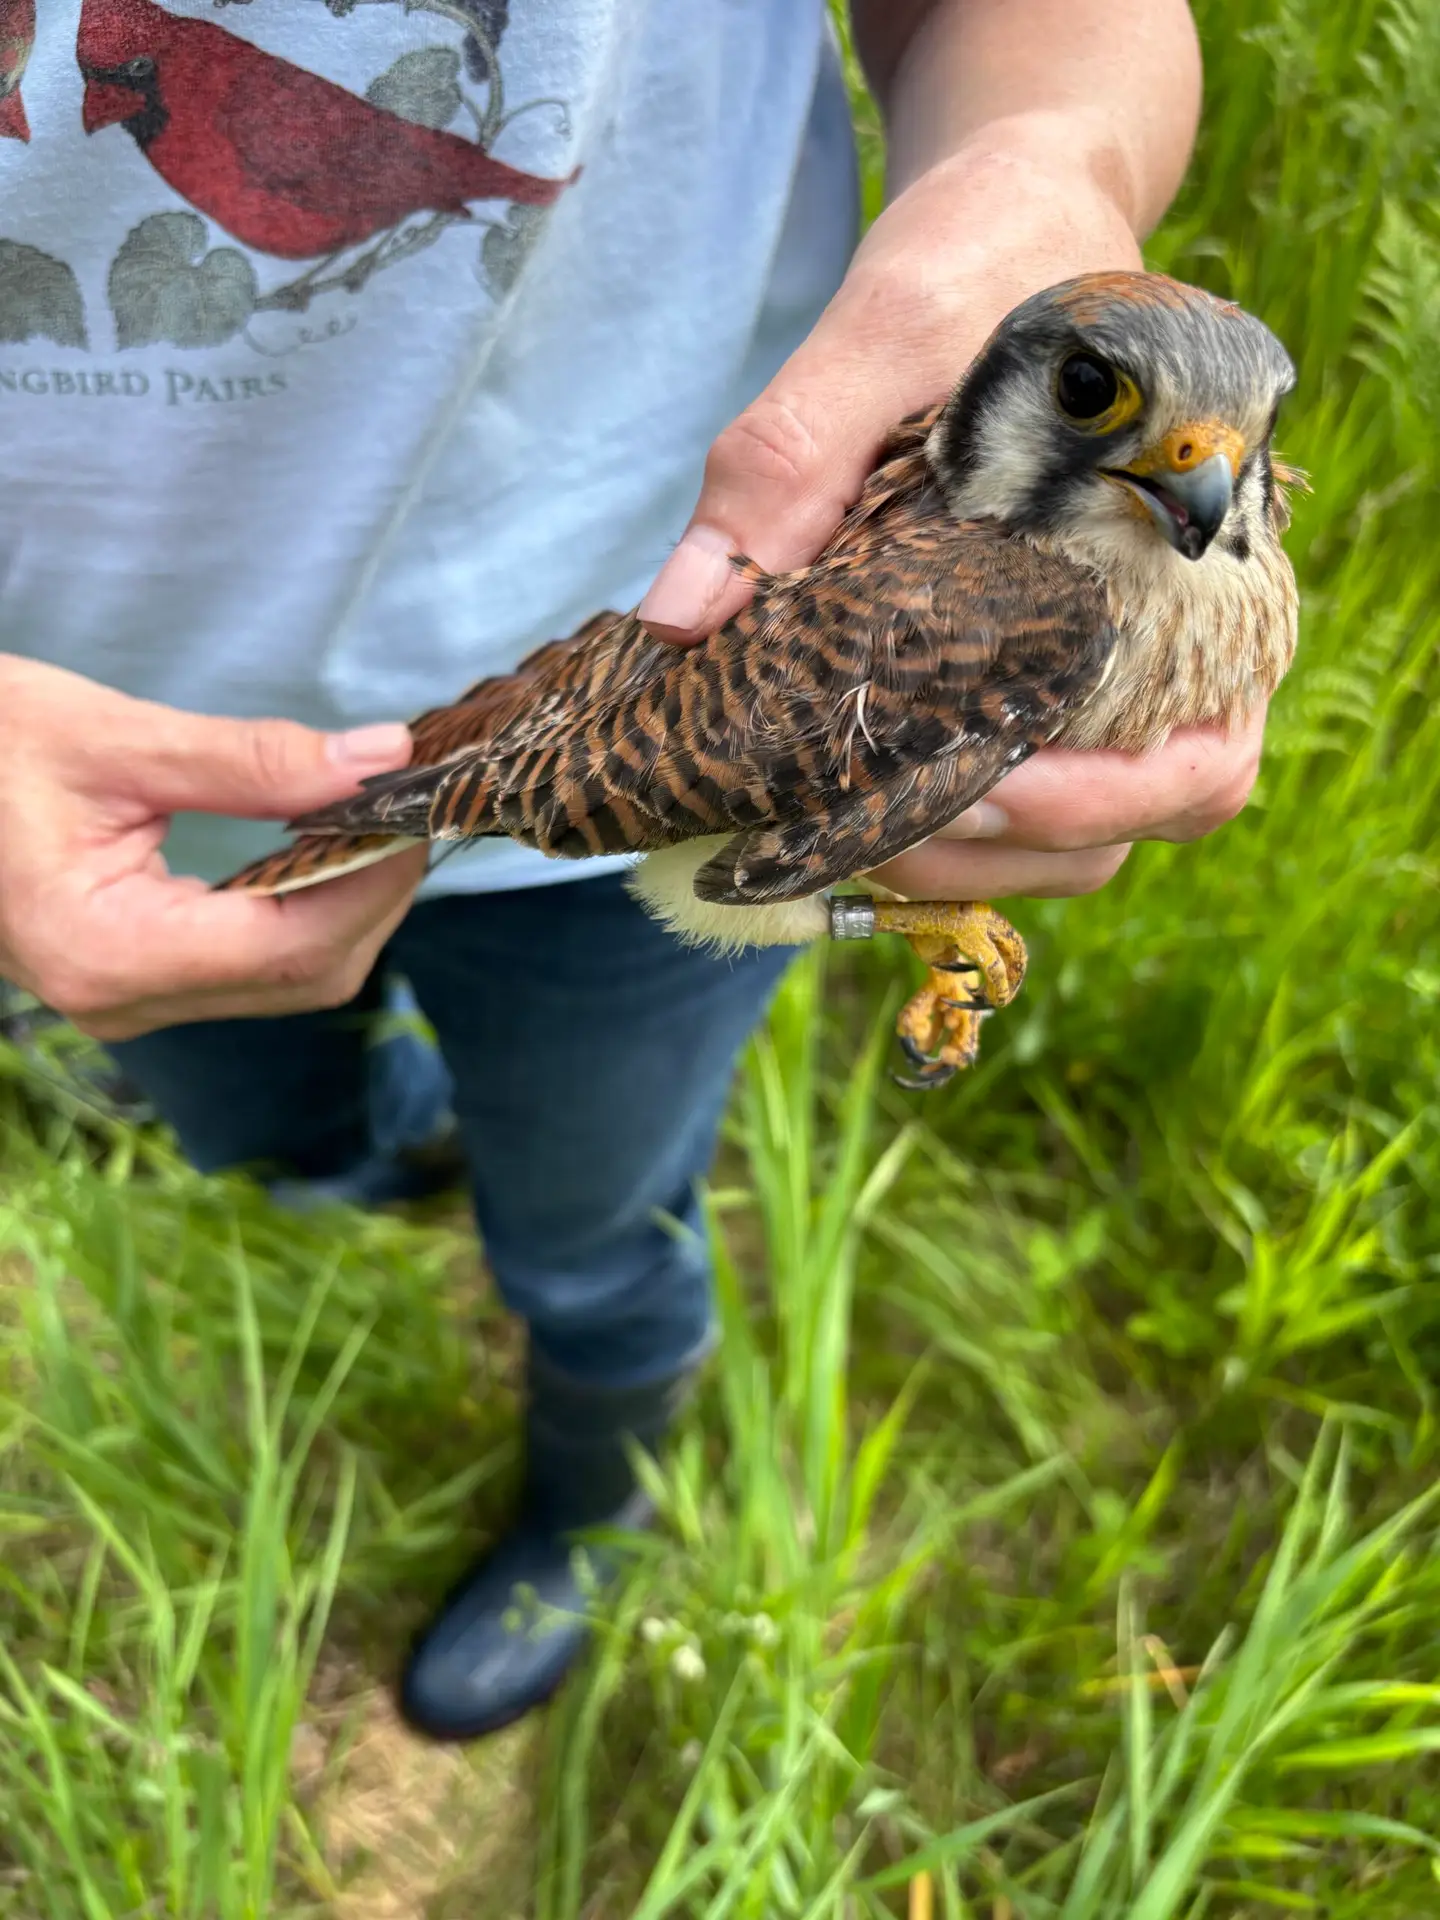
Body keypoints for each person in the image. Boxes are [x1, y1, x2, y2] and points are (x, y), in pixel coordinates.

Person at [0, 0, 1247, 1741]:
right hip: (74, 762)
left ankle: (591, 1504)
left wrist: (1053, 156)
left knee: (593, 1228)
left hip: (633, 748)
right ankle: (370, 1156)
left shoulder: (1043, 565)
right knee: (247, 1113)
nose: (1204, 488)